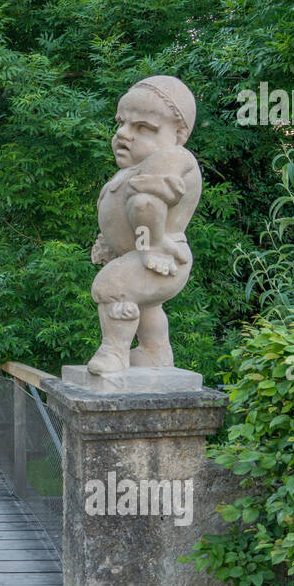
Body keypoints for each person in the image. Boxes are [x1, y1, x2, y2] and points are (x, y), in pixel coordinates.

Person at [85, 76, 202, 375]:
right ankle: (155, 353)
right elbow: (121, 217)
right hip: (145, 252)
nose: (124, 134)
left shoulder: (173, 158)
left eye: (142, 128)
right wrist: (110, 241)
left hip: (165, 255)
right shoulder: (135, 169)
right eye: (121, 123)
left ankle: (114, 351)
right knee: (148, 304)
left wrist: (151, 245)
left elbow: (146, 203)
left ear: (178, 134)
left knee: (112, 285)